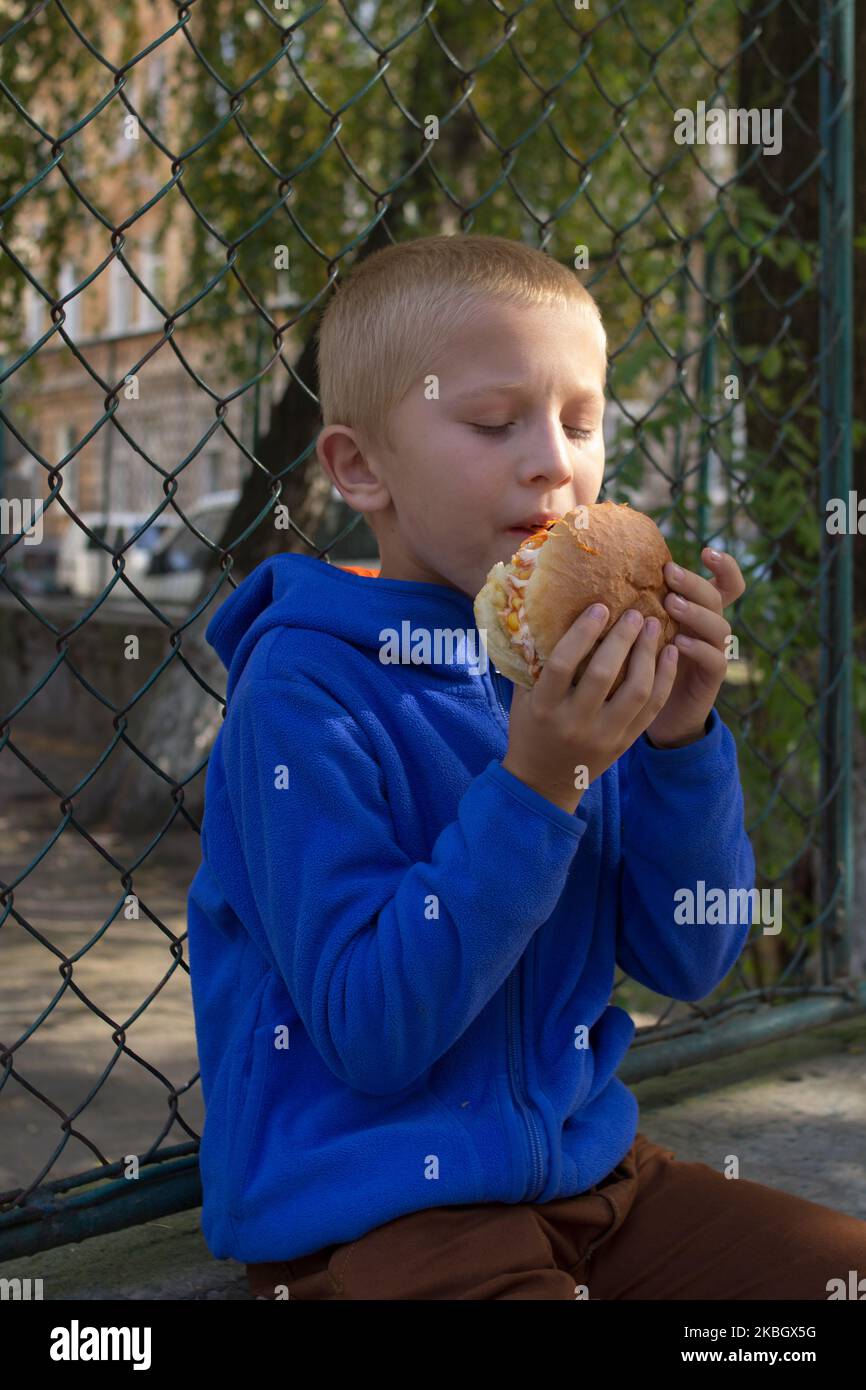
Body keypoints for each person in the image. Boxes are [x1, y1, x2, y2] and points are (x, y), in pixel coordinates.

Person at [187, 234, 866, 1300]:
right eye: (494, 423)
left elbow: (690, 958)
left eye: (581, 420)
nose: (552, 458)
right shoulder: (301, 695)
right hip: (378, 1222)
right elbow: (372, 1032)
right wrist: (540, 782)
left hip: (594, 1179)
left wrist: (682, 744)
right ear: (360, 466)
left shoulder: (564, 662)